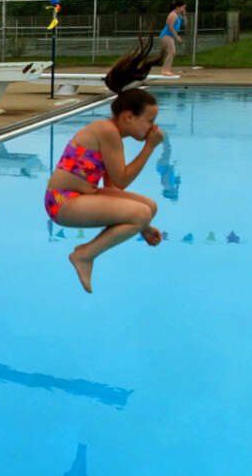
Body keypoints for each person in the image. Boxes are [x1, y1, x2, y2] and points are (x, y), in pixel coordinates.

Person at [45, 45, 164, 293]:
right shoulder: (107, 131)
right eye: (149, 121)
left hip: (83, 196)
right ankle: (85, 255)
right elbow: (121, 182)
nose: (152, 128)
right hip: (62, 201)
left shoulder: (112, 134)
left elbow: (111, 185)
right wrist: (149, 147)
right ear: (129, 117)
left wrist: (145, 228)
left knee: (149, 209)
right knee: (142, 213)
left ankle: (89, 252)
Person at [157, 0, 186, 75]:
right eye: (183, 7)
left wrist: (184, 14)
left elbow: (184, 22)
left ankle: (167, 70)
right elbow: (170, 27)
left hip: (170, 35)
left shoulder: (178, 15)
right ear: (177, 7)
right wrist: (176, 36)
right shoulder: (173, 15)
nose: (184, 9)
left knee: (172, 52)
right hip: (166, 35)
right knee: (171, 52)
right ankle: (164, 70)